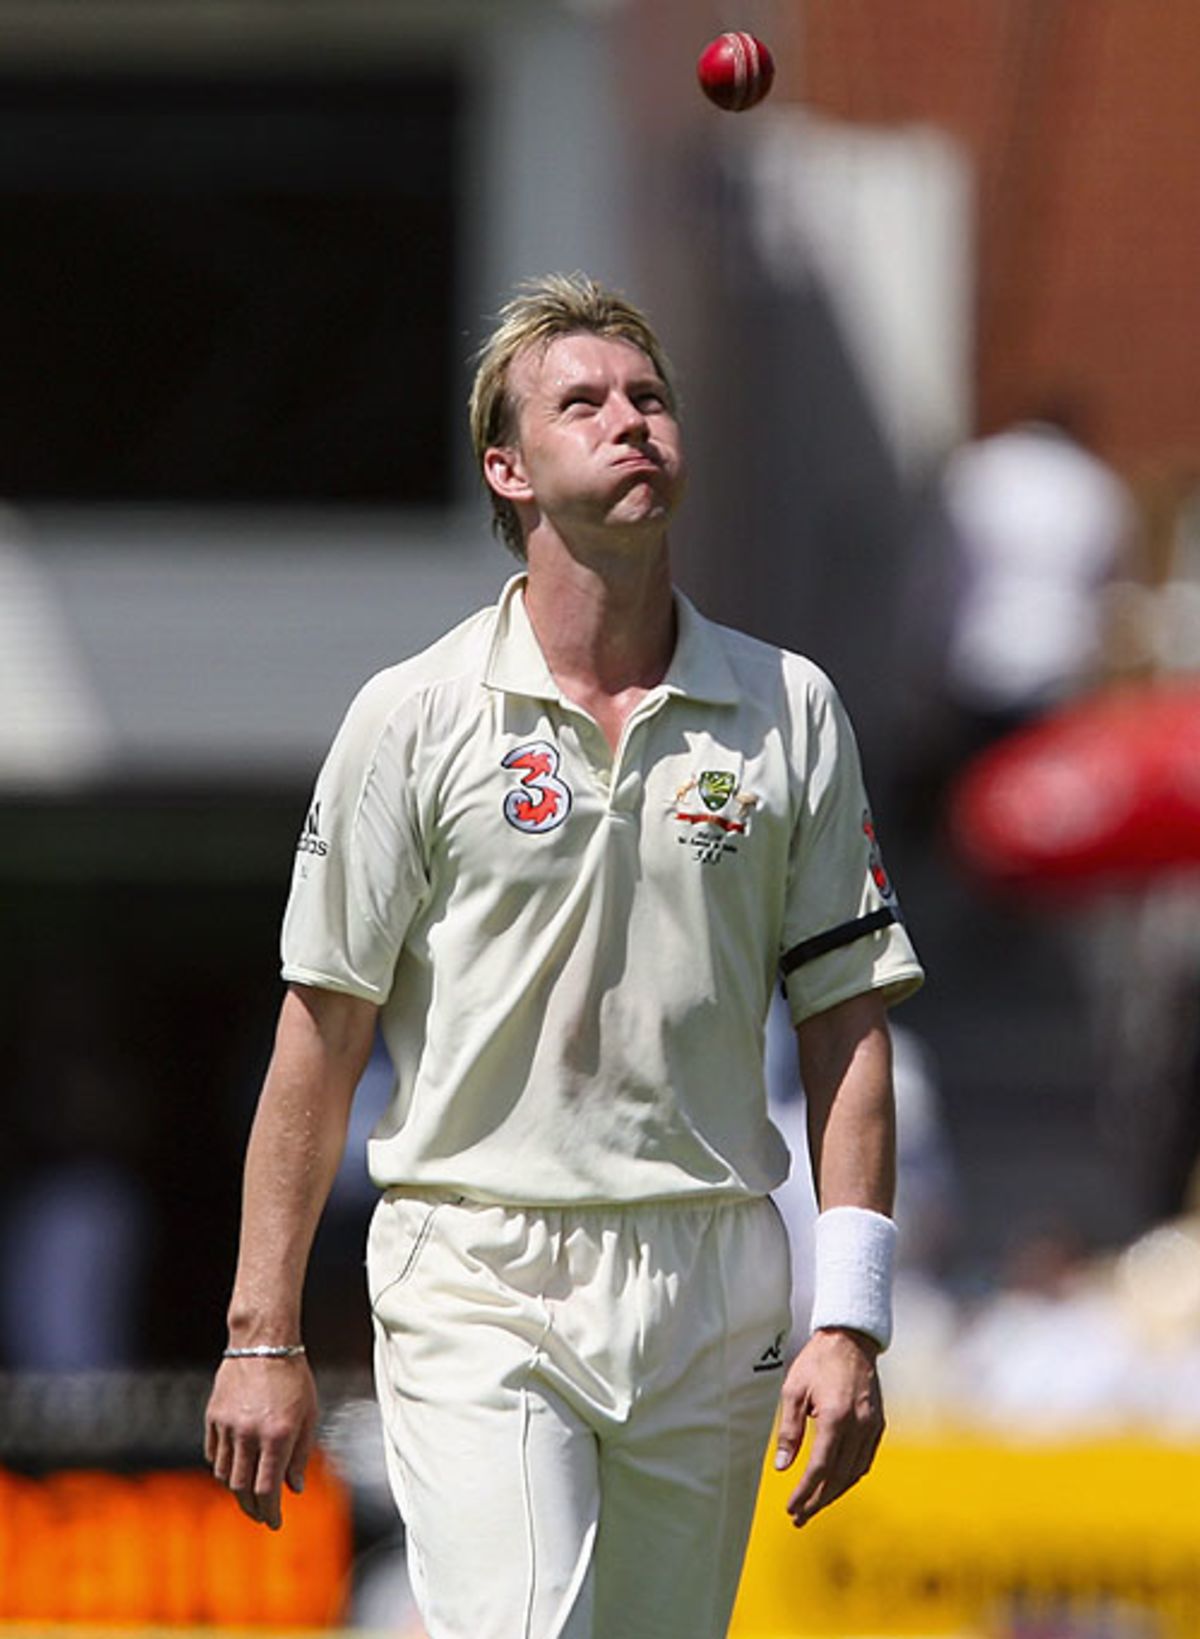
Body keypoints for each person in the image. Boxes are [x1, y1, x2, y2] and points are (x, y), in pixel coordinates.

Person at [204, 273, 924, 1639]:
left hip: (711, 1275)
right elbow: (322, 1037)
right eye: (582, 403)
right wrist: (262, 1334)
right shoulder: (412, 717)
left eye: (648, 398)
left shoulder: (791, 707)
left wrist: (854, 1319)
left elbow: (848, 1026)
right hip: (480, 1268)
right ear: (509, 469)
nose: (629, 422)